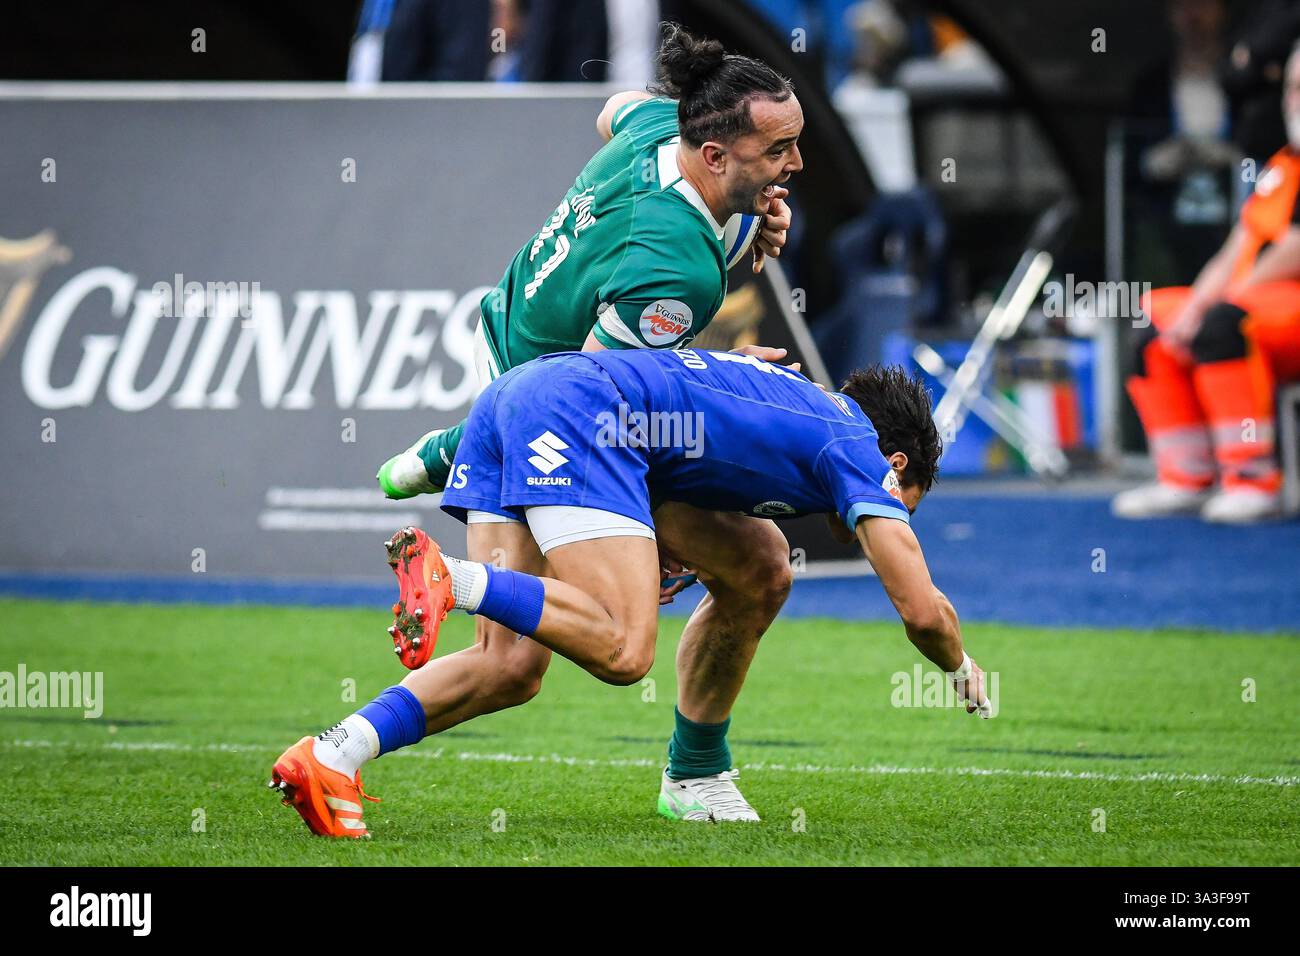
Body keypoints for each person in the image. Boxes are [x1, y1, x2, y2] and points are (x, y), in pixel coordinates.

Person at [363, 23, 806, 822]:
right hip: (543, 395)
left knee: (757, 568)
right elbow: (595, 399)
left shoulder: (659, 128)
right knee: (538, 659)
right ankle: (449, 458)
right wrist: (652, 535)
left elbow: (614, 110)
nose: (795, 167)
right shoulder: (670, 274)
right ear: (713, 154)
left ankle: (335, 750)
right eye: (778, 151)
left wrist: (754, 215)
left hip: (514, 337)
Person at [270, 348, 989, 837]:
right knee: (622, 648)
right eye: (907, 504)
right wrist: (959, 667)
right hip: (582, 416)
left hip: (519, 401)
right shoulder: (856, 447)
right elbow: (921, 610)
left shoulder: (787, 401)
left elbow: (680, 445)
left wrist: (662, 544)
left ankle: (333, 753)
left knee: (514, 664)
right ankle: (452, 581)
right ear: (898, 464)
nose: (887, 518)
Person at [1113, 41, 1300, 524]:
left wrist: (1220, 304)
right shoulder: (1282, 166)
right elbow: (1234, 249)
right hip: (1263, 303)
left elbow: (1294, 248)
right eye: (1293, 88)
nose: (1296, 100)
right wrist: (1194, 306)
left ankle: (1253, 478)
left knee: (1223, 321)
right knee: (1152, 316)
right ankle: (1186, 475)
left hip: (1279, 306)